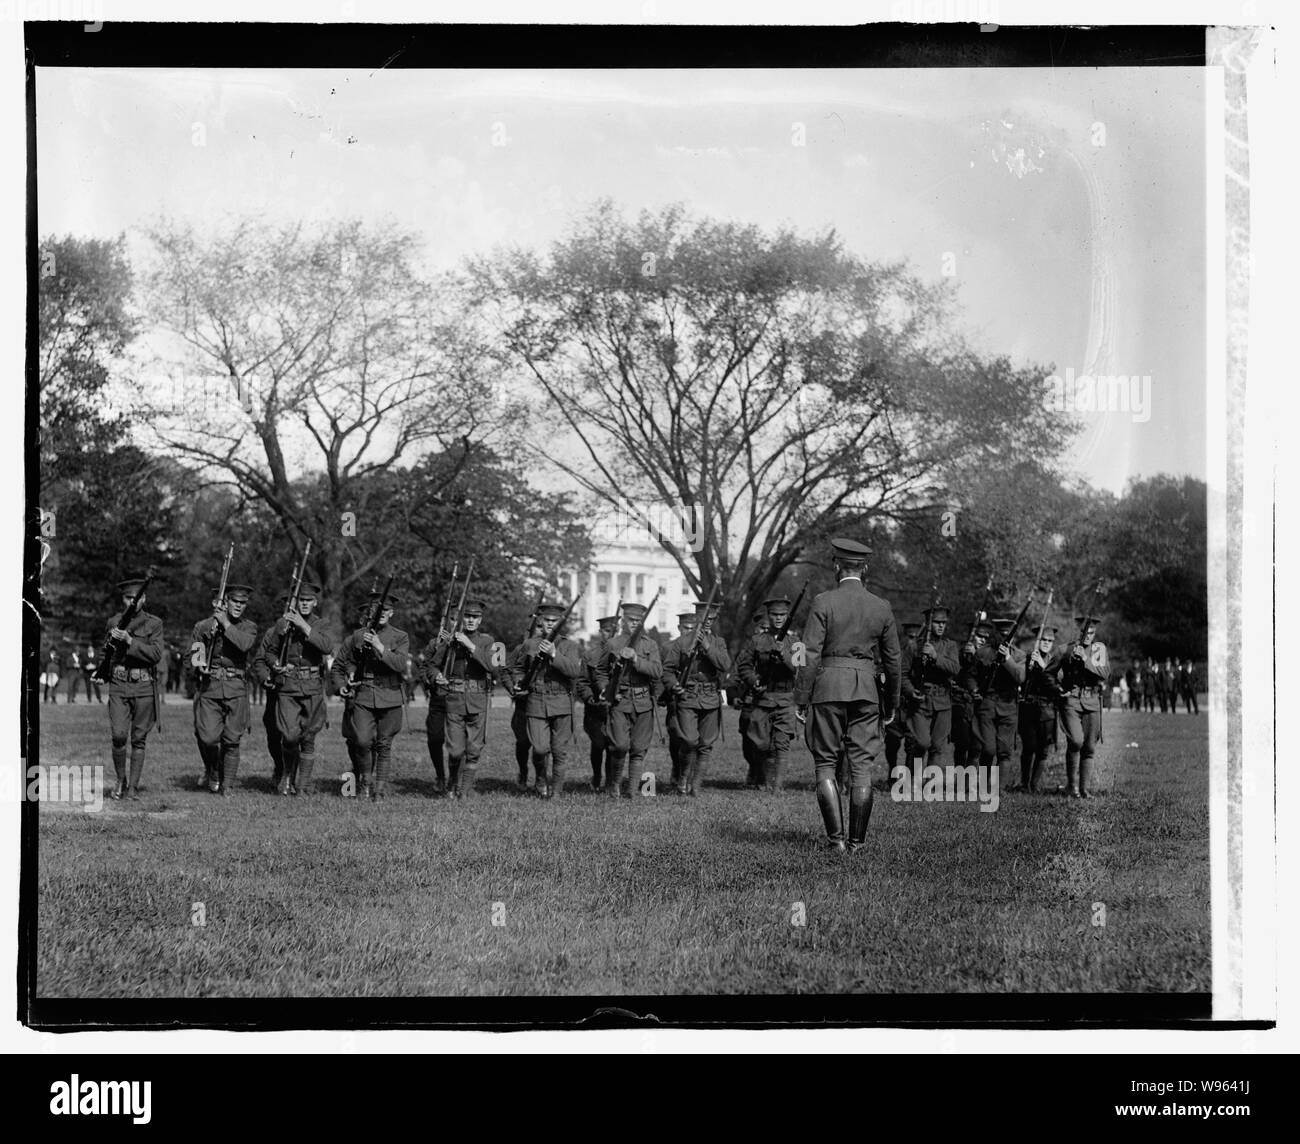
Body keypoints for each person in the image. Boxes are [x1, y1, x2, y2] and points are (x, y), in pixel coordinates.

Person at [794, 537, 901, 854]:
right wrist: (892, 703)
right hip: (867, 692)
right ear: (865, 568)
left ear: (836, 565)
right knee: (861, 767)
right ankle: (857, 843)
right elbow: (894, 661)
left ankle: (836, 841)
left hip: (827, 689)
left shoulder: (823, 602)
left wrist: (801, 697)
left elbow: (809, 654)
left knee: (825, 763)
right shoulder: (881, 607)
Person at [256, 581, 334, 796]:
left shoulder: (322, 624)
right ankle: (287, 774)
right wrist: (276, 665)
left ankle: (303, 784)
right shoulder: (282, 624)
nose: (305, 604)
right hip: (288, 687)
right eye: (301, 600)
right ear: (295, 602)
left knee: (308, 737)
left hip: (312, 687)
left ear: (315, 602)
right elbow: (269, 653)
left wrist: (303, 626)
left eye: (309, 600)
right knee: (289, 736)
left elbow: (327, 647)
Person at [332, 590, 409, 801]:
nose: (380, 613)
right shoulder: (357, 636)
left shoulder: (400, 637)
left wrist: (378, 646)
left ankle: (379, 789)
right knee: (362, 741)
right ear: (370, 611)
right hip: (364, 696)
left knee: (384, 744)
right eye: (376, 609)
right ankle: (364, 782)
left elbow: (400, 664)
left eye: (385, 610)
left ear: (391, 612)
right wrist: (344, 682)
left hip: (391, 695)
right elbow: (340, 665)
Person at [507, 600, 583, 798]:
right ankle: (541, 777)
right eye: (547, 620)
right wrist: (517, 681)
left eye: (555, 621)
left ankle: (556, 792)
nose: (550, 624)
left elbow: (575, 671)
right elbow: (519, 668)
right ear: (541, 621)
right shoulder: (529, 644)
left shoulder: (569, 646)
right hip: (536, 702)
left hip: (561, 702)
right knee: (540, 749)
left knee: (559, 751)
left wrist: (554, 654)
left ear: (561, 623)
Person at [421, 598, 495, 799]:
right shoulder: (450, 641)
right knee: (455, 751)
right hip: (454, 700)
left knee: (474, 749)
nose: (470, 620)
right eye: (467, 617)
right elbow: (432, 665)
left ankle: (464, 790)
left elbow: (493, 667)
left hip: (477, 700)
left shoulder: (487, 642)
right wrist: (436, 676)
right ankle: (453, 781)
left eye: (475, 617)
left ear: (480, 620)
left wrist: (470, 646)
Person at [190, 582, 259, 796]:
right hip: (210, 688)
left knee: (232, 739)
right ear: (224, 601)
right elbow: (193, 653)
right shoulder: (203, 626)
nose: (239, 606)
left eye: (243, 603)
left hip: (235, 688)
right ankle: (212, 769)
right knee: (208, 738)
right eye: (234, 601)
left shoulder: (248, 626)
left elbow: (244, 644)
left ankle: (227, 785)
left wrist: (225, 623)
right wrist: (198, 662)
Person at [102, 573, 166, 800]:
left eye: (137, 598)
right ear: (123, 599)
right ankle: (120, 779)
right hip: (119, 684)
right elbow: (106, 653)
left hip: (144, 686)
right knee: (119, 735)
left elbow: (156, 654)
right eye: (129, 598)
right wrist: (101, 672)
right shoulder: (113, 622)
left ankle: (133, 787)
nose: (133, 602)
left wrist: (130, 641)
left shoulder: (154, 623)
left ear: (144, 599)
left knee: (139, 738)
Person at [595, 601, 663, 799]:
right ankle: (615, 783)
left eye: (639, 621)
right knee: (619, 746)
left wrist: (636, 660)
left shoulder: (650, 645)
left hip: (643, 702)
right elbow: (600, 672)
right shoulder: (613, 644)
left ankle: (632, 791)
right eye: (631, 620)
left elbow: (657, 671)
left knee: (638, 749)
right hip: (620, 701)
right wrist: (604, 689)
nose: (635, 624)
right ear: (623, 621)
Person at [663, 598, 730, 796]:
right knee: (689, 741)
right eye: (704, 618)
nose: (708, 621)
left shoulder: (718, 642)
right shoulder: (682, 642)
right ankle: (683, 776)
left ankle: (696, 785)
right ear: (697, 617)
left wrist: (708, 647)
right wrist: (673, 685)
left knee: (706, 744)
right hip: (688, 697)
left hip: (710, 697)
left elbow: (725, 665)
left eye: (712, 618)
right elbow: (668, 670)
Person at [735, 595, 801, 793]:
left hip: (786, 699)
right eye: (774, 614)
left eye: (782, 615)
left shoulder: (796, 642)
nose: (778, 618)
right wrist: (753, 681)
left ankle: (777, 787)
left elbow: (800, 669)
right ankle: (763, 777)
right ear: (768, 615)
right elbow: (744, 666)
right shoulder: (756, 641)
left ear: (788, 616)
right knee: (760, 743)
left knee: (782, 744)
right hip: (763, 699)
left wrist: (784, 655)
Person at [1054, 612, 1110, 798]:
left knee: (1089, 747)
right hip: (1072, 701)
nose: (1088, 636)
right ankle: (1072, 786)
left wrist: (1085, 660)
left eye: (1092, 633)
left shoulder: (1099, 650)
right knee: (1076, 740)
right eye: (1085, 632)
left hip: (1093, 701)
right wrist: (1058, 688)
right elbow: (1049, 673)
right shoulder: (1066, 649)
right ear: (1079, 631)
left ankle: (1084, 789)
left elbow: (1104, 673)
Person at [900, 606, 960, 775]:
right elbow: (902, 673)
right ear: (928, 623)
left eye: (944, 623)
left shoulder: (950, 646)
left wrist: (935, 656)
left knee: (937, 746)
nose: (941, 626)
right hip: (920, 701)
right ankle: (913, 777)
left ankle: (930, 785)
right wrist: (910, 691)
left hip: (943, 701)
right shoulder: (913, 647)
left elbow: (955, 668)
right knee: (922, 743)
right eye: (937, 622)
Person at [973, 617, 1027, 788]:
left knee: (1004, 751)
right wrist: (973, 689)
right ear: (995, 633)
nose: (1005, 639)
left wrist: (1007, 659)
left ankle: (999, 790)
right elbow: (970, 675)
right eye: (1001, 634)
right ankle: (983, 785)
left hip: (1009, 706)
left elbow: (1020, 677)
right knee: (988, 749)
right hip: (987, 706)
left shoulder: (1019, 655)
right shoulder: (983, 652)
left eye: (1008, 635)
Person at [1016, 623, 1062, 793]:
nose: (1046, 643)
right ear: (1038, 640)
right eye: (1043, 639)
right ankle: (1024, 784)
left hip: (1048, 709)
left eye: (1050, 640)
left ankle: (1034, 785)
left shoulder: (1055, 661)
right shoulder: (1028, 658)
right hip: (1029, 708)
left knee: (1043, 750)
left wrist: (1043, 666)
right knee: (1029, 746)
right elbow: (1019, 678)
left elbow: (1057, 685)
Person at [578, 613, 620, 792]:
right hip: (595, 709)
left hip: (616, 708)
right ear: (600, 631)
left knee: (614, 745)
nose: (609, 635)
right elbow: (582, 682)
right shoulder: (590, 655)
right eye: (606, 631)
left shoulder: (622, 651)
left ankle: (610, 781)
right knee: (598, 744)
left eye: (614, 631)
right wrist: (590, 698)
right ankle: (596, 776)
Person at [659, 608, 697, 793]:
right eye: (685, 628)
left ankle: (688, 774)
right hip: (673, 698)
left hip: (692, 697)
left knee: (691, 738)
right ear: (679, 627)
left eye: (692, 628)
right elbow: (662, 673)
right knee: (676, 736)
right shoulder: (668, 647)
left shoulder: (698, 647)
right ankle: (677, 767)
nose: (688, 631)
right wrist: (663, 694)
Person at [735, 608, 767, 789]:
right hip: (749, 701)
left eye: (766, 628)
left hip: (770, 701)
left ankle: (763, 776)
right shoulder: (747, 650)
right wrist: (733, 694)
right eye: (761, 628)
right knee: (748, 743)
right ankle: (753, 768)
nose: (763, 631)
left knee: (766, 743)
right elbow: (735, 673)